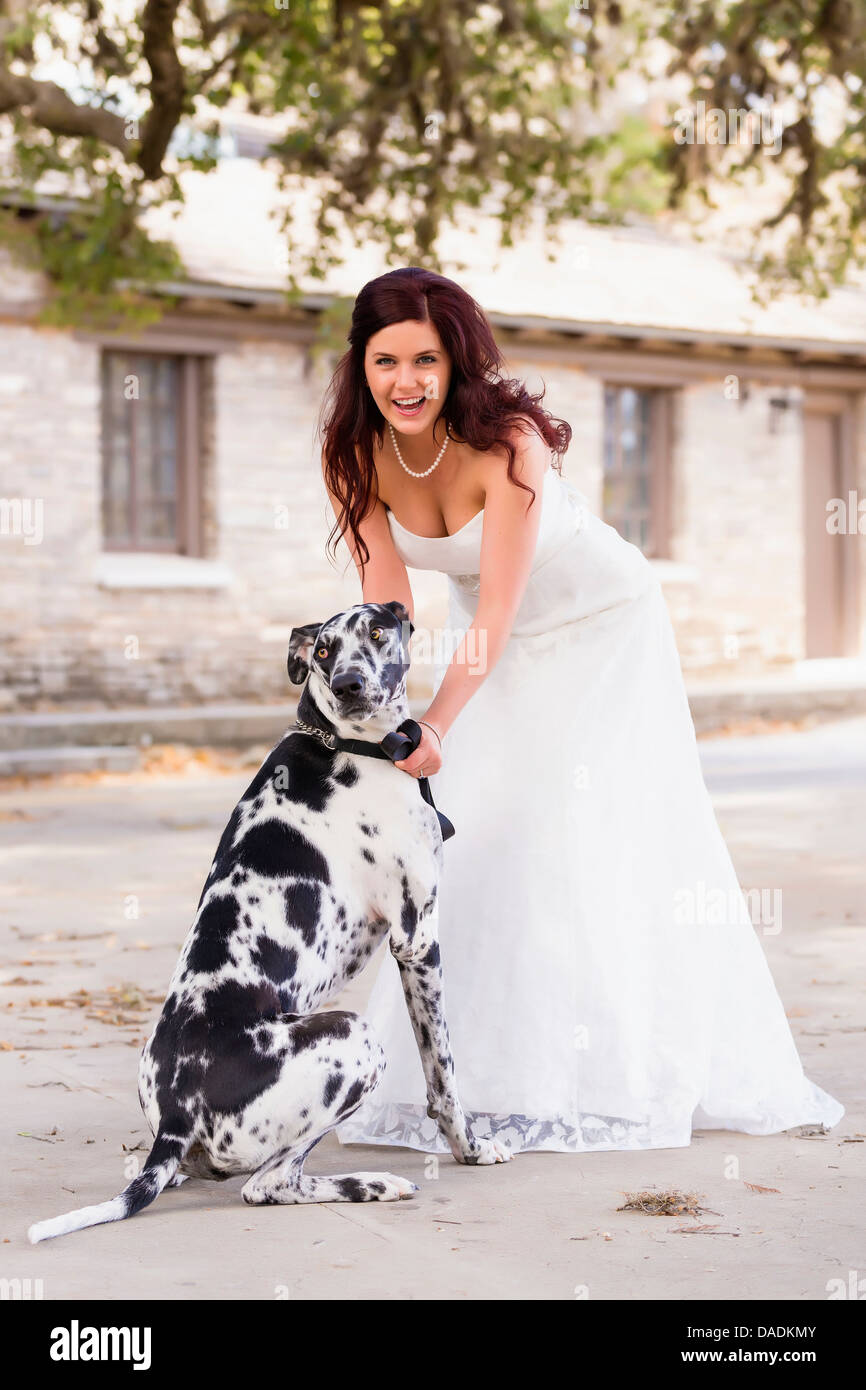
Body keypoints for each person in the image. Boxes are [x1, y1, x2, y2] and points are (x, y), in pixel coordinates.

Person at [318, 265, 844, 1155]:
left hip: (601, 626)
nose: (404, 382)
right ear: (360, 366)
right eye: (384, 361)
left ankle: (612, 1072)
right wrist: (381, 731)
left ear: (458, 364)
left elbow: (496, 615)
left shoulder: (509, 442)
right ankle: (473, 1076)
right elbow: (389, 615)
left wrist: (437, 727)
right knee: (482, 831)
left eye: (425, 360)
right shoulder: (356, 456)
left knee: (580, 824)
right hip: (496, 643)